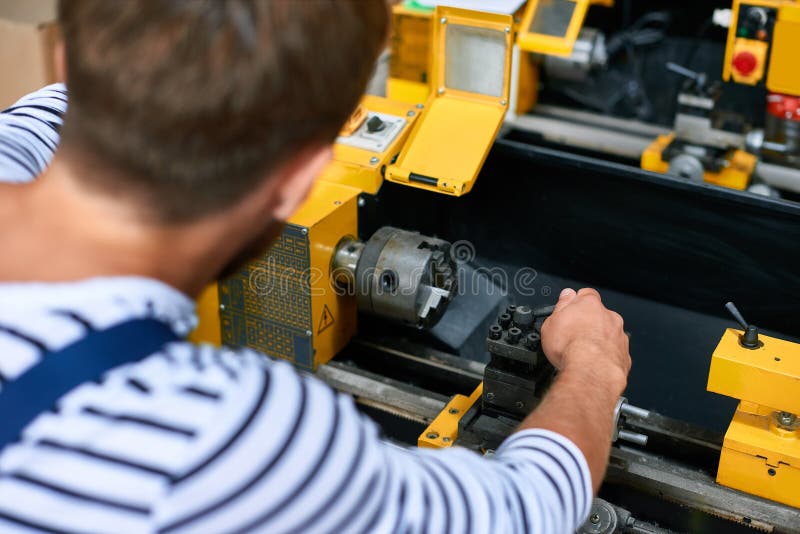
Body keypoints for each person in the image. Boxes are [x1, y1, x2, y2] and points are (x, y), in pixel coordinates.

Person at [0, 1, 631, 532]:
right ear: (302, 180)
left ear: (62, 61)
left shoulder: (18, 143)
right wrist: (595, 369)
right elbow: (520, 510)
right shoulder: (216, 442)